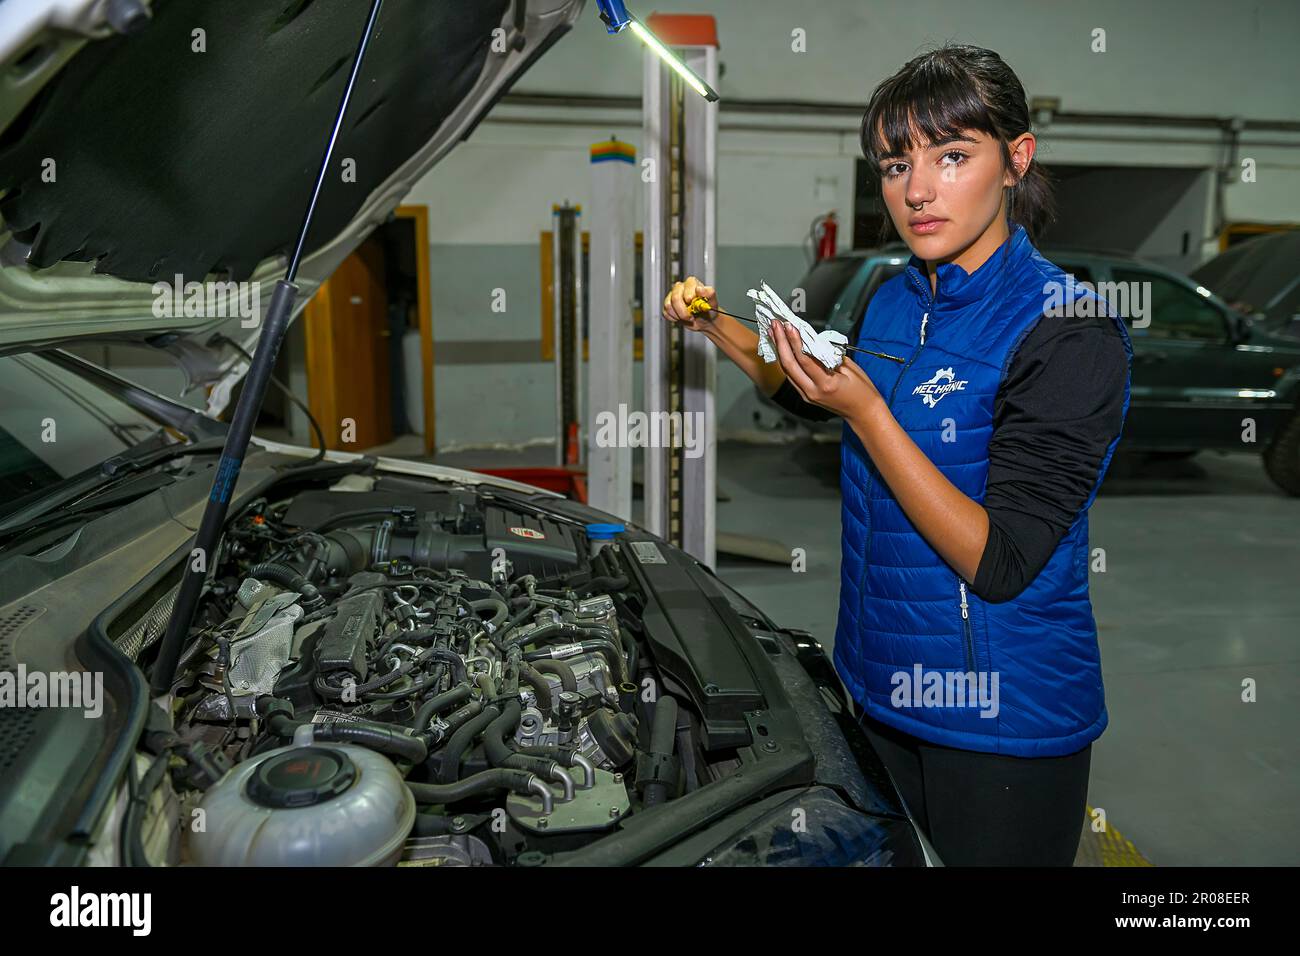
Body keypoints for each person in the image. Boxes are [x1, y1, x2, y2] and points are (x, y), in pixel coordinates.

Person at [661, 44, 1132, 866]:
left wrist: (870, 411)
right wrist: (717, 327)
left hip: (999, 721)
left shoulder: (1069, 330)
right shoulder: (896, 296)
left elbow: (1001, 560)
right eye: (894, 164)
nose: (916, 191)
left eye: (953, 156)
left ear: (1017, 159)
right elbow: (812, 392)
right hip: (878, 686)